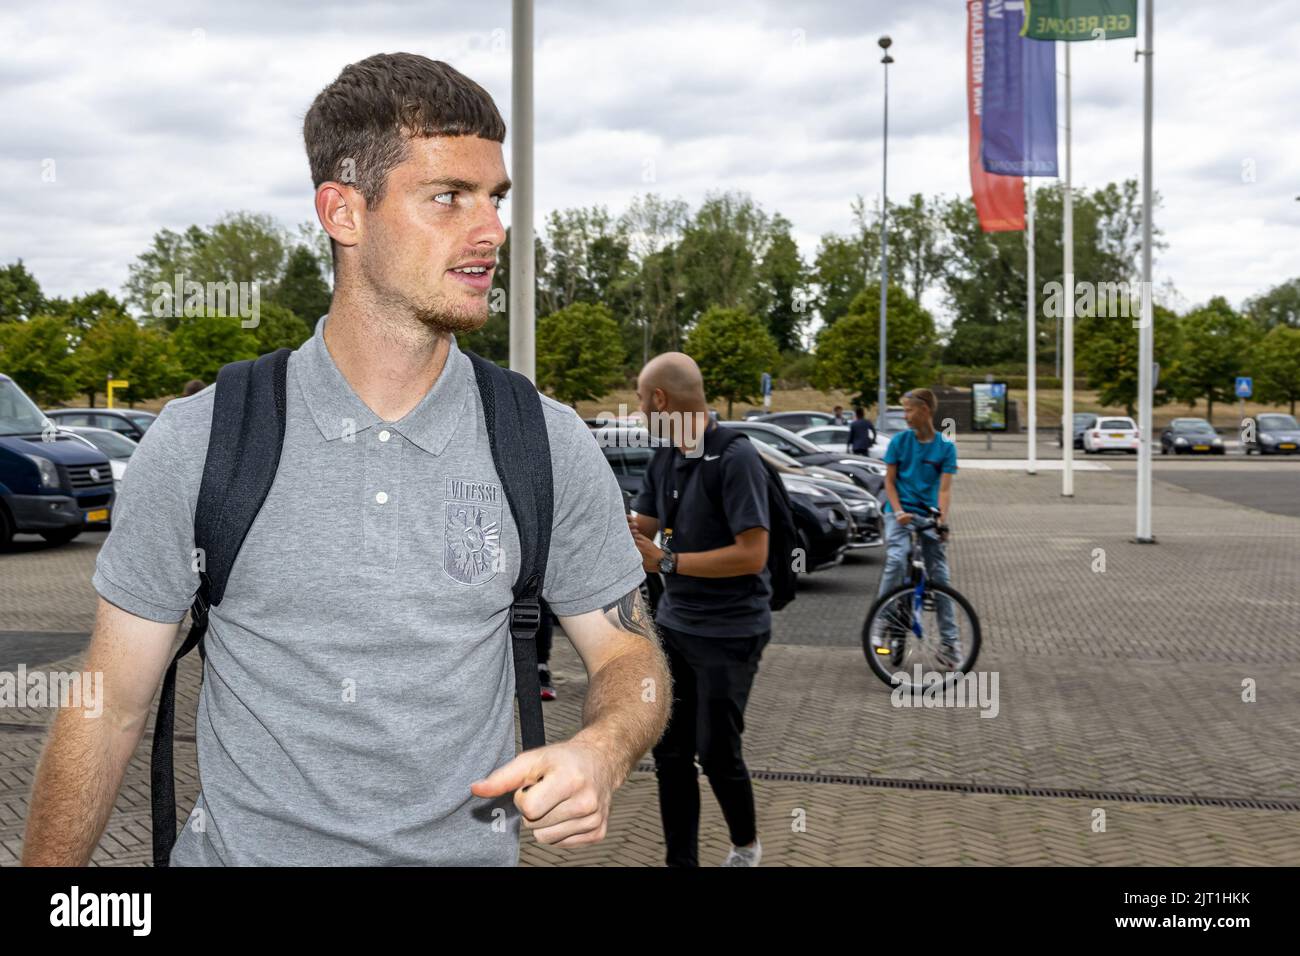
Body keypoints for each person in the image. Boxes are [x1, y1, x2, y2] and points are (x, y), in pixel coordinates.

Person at [22, 53, 670, 867]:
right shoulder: (204, 440)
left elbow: (627, 653)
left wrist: (603, 750)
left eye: (495, 199)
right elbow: (108, 706)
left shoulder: (543, 442)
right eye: (449, 197)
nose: (492, 232)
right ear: (344, 212)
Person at [628, 352, 771, 868]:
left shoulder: (736, 458)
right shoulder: (667, 455)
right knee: (670, 754)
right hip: (676, 625)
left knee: (716, 753)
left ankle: (745, 846)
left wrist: (667, 561)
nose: (639, 411)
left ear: (660, 399)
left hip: (730, 631)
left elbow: (753, 554)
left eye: (642, 401)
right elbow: (643, 525)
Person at [876, 388, 961, 666]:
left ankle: (949, 643)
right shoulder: (899, 442)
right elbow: (889, 482)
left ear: (925, 410)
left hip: (927, 515)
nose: (905, 416)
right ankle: (881, 619)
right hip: (899, 511)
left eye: (909, 410)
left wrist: (941, 522)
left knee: (940, 577)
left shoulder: (945, 448)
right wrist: (899, 511)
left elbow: (944, 490)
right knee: (897, 557)